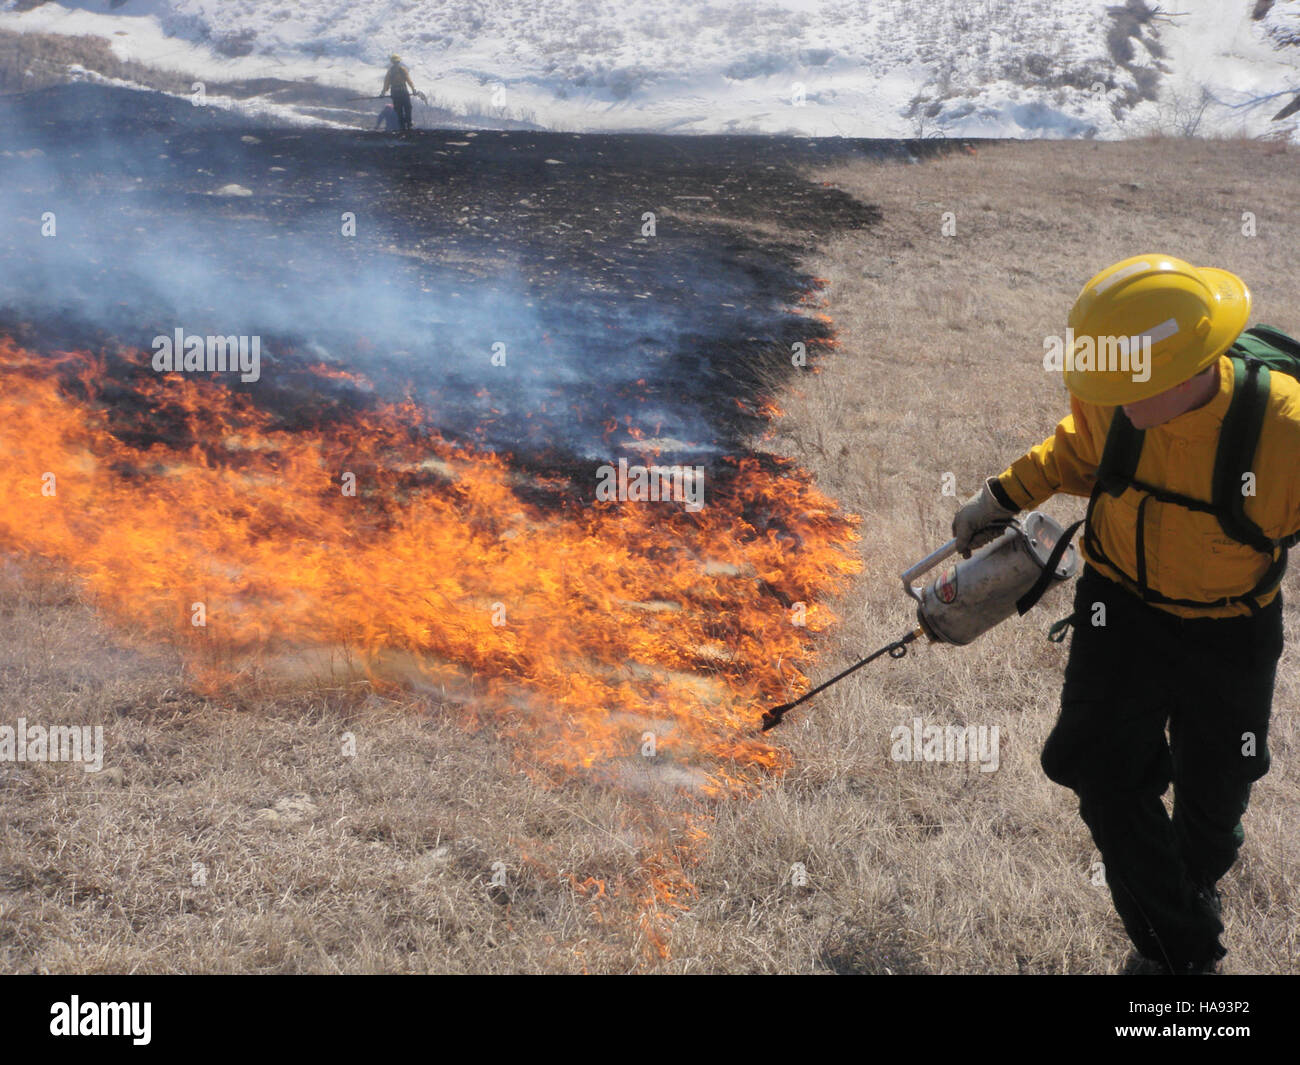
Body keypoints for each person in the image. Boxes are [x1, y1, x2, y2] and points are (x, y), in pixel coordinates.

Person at [953, 254, 1300, 974]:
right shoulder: (1120, 398)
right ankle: (1179, 950)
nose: (1105, 402)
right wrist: (999, 498)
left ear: (1185, 370)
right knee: (1095, 765)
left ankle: (1190, 885)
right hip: (1120, 614)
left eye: (1121, 388)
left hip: (1231, 632)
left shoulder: (1286, 431)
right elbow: (1071, 451)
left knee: (1214, 807)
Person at [381, 54, 424, 132]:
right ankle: (408, 124)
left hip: (395, 93)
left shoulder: (390, 71)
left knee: (399, 110)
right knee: (407, 108)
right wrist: (413, 89)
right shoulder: (402, 69)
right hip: (403, 91)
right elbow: (408, 80)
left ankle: (403, 126)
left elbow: (386, 84)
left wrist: (383, 93)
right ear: (398, 61)